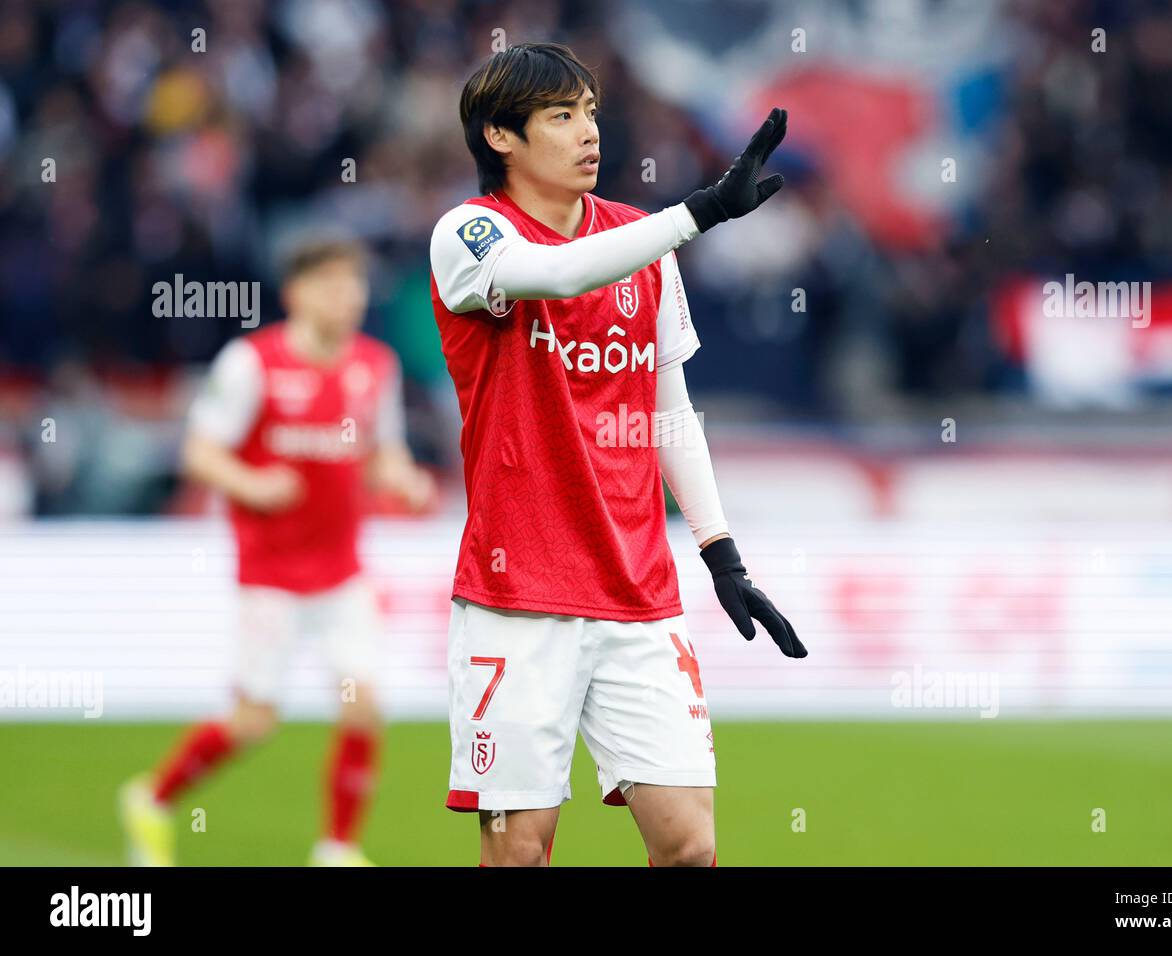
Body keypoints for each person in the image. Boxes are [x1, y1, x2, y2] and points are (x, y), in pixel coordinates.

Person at [428, 42, 804, 867]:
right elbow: (555, 276)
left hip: (638, 593)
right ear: (501, 135)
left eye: (591, 112)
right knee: (519, 854)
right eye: (561, 116)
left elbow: (668, 406)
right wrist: (701, 211)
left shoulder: (641, 243)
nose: (588, 132)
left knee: (691, 849)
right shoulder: (470, 235)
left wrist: (720, 550)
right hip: (516, 598)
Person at [119, 238, 434, 866]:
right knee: (255, 720)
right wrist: (253, 483)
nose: (346, 298)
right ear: (295, 293)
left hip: (342, 572)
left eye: (354, 286)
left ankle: (337, 848)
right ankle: (152, 796)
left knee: (363, 706)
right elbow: (199, 453)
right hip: (270, 574)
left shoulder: (375, 366)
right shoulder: (251, 363)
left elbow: (380, 454)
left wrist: (402, 476)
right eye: (331, 285)